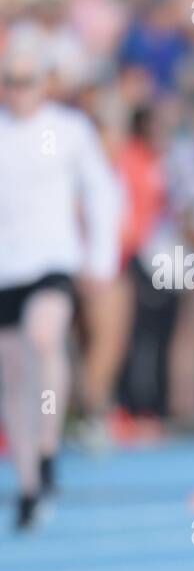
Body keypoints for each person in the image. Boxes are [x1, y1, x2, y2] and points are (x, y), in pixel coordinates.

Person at [0, 48, 120, 530]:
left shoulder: (69, 129)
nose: (17, 90)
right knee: (11, 373)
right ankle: (29, 482)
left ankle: (49, 443)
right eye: (10, 81)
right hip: (6, 268)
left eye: (26, 80)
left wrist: (101, 259)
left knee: (45, 337)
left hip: (52, 260)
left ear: (43, 83)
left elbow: (101, 190)